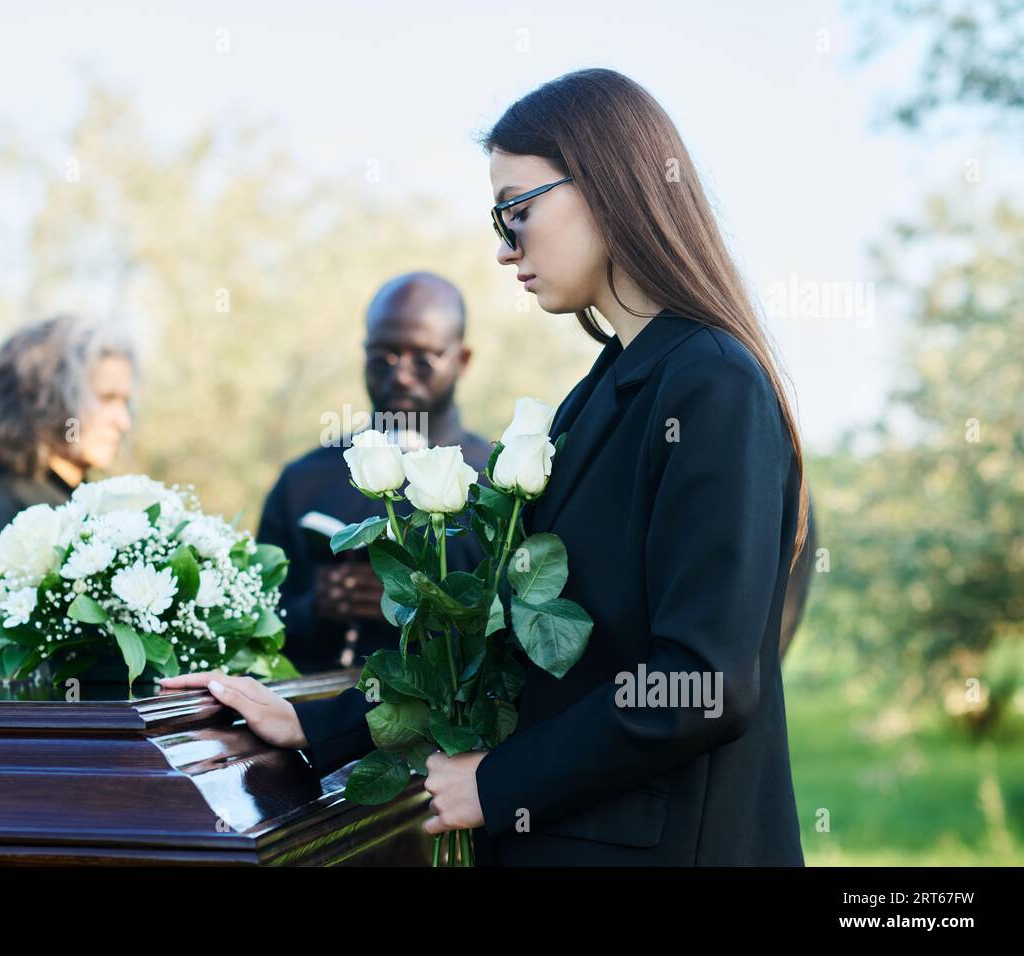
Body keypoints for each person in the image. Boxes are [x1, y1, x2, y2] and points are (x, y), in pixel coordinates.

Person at [162, 68, 809, 865]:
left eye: (517, 210)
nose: (505, 249)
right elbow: (503, 647)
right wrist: (312, 725)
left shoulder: (712, 383)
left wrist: (502, 783)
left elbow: (704, 682)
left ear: (605, 186)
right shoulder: (597, 395)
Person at [255, 272, 492, 673]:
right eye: (382, 356)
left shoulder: (495, 480)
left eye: (422, 357)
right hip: (308, 717)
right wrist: (317, 606)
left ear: (462, 359)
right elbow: (252, 625)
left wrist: (419, 605)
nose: (399, 374)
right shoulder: (304, 479)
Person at [0, 316, 136, 687]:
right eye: (107, 399)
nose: (123, 421)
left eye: (126, 401)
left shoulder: (88, 509)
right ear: (47, 400)